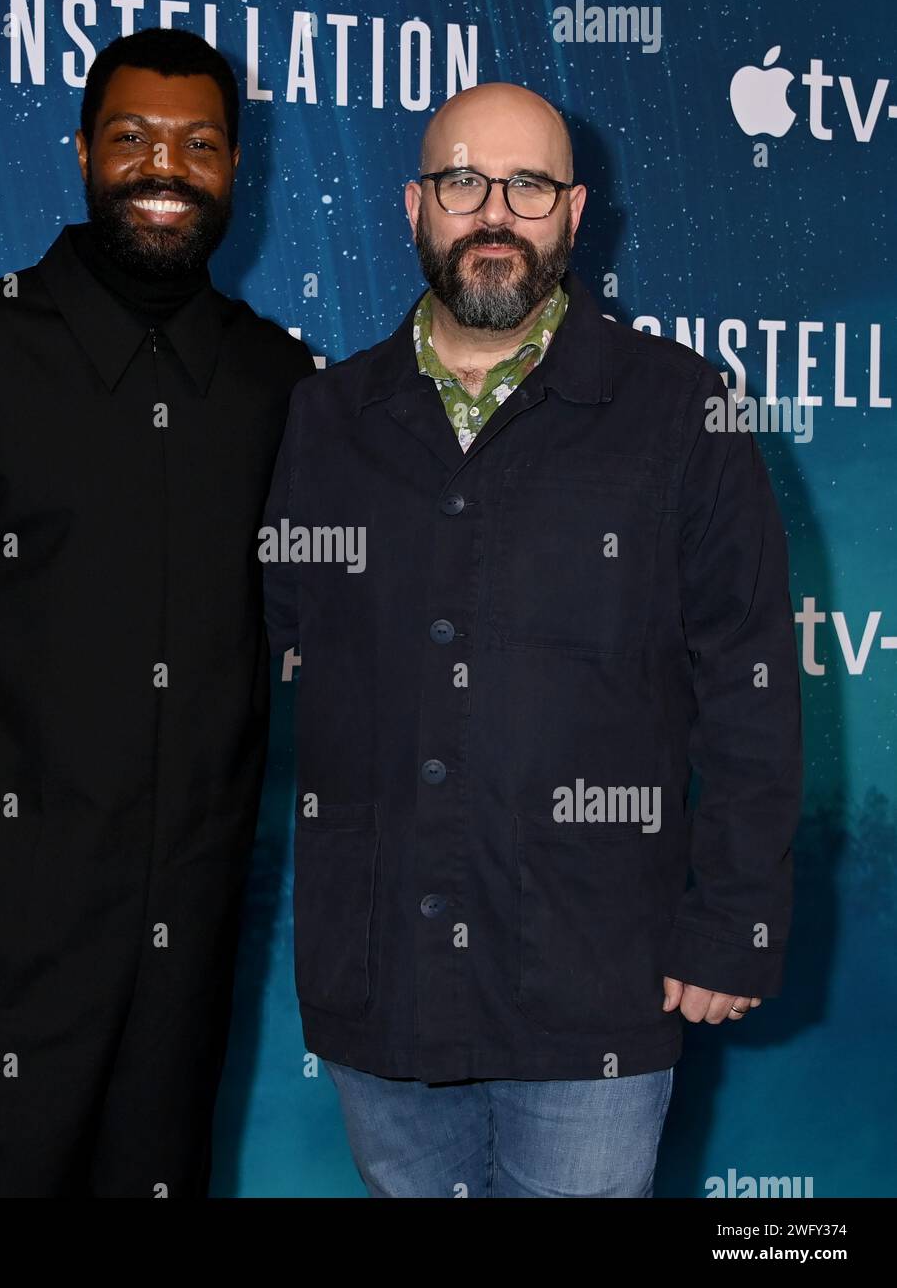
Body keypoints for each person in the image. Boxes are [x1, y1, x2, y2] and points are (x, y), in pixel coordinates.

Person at [0, 27, 315, 1197]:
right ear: (83, 152)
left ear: (236, 169)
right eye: (131, 138)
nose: (162, 167)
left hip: (181, 946)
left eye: (198, 143)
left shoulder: (286, 388)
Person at [261, 81, 802, 1198]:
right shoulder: (326, 419)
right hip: (382, 975)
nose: (493, 211)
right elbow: (263, 650)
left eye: (528, 185)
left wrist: (735, 918)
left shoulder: (680, 409)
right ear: (413, 206)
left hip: (593, 978)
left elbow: (749, 681)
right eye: (462, 182)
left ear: (574, 209)